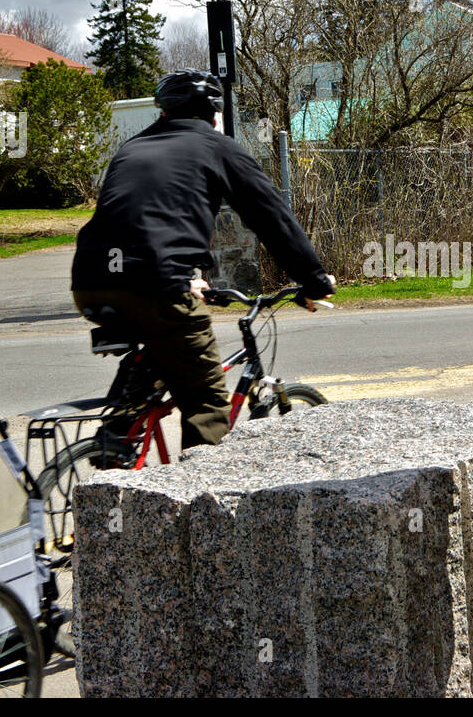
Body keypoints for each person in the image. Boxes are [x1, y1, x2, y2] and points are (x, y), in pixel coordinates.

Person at [71, 69, 334, 448]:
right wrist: (314, 280)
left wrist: (184, 275)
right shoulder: (216, 145)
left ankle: (116, 444)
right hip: (154, 287)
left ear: (163, 112)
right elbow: (271, 217)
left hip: (91, 282)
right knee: (208, 404)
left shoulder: (132, 147)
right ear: (214, 111)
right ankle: (199, 500)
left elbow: (140, 219)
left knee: (161, 357)